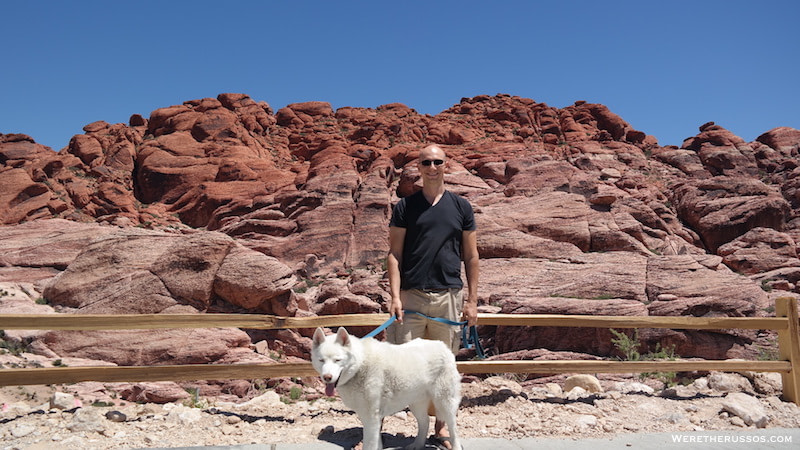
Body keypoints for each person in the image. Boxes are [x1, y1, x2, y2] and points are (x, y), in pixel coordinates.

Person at [387, 144, 479, 449]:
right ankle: (378, 429)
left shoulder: (461, 207)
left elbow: (471, 255)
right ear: (419, 167)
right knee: (399, 366)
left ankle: (440, 429)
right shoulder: (404, 207)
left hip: (448, 297)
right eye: (426, 162)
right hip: (411, 297)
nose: (432, 166)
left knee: (443, 367)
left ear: (445, 165)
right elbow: (394, 254)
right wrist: (395, 296)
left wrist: (472, 301)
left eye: (437, 161)